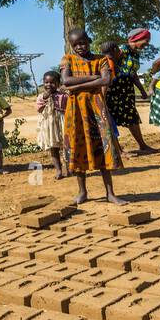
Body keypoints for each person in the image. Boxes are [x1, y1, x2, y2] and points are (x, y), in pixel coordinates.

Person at [60, 28, 124, 205]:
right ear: (71, 46)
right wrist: (91, 79)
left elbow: (105, 80)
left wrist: (76, 87)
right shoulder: (68, 59)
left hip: (96, 109)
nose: (80, 47)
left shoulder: (101, 59)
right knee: (77, 147)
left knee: (103, 146)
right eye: (75, 45)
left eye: (83, 42)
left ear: (89, 40)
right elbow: (66, 81)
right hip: (76, 110)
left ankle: (110, 193)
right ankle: (82, 192)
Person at [107, 30, 157, 154]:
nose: (146, 45)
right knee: (110, 118)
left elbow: (132, 73)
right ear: (135, 39)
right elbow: (108, 64)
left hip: (127, 88)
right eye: (145, 42)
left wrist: (141, 89)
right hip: (114, 88)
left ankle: (142, 145)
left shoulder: (135, 54)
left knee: (132, 117)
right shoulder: (121, 50)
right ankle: (117, 149)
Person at [36, 70, 68, 179]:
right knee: (53, 148)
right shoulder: (41, 96)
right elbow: (39, 110)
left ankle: (68, 168)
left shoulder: (63, 95)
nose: (49, 85)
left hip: (62, 124)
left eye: (52, 82)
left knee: (66, 146)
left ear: (58, 83)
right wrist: (45, 97)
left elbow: (69, 107)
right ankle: (58, 170)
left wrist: (66, 91)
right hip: (49, 125)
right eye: (46, 82)